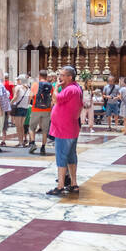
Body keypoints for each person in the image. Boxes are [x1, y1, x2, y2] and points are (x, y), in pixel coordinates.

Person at [46, 65, 84, 196]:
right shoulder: (75, 88)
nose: (59, 77)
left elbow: (56, 99)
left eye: (62, 75)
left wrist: (55, 87)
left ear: (70, 77)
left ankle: (60, 186)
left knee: (61, 157)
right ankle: (73, 184)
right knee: (71, 157)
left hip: (64, 129)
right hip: (69, 128)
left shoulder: (71, 89)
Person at [29, 70, 54, 155]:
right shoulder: (50, 85)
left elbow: (31, 96)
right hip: (46, 110)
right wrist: (50, 106)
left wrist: (30, 103)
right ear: (46, 76)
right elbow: (53, 98)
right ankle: (43, 147)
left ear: (39, 76)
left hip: (36, 109)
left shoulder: (35, 84)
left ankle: (32, 143)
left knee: (32, 127)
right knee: (45, 130)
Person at [10, 76, 29, 146]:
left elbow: (15, 97)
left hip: (18, 108)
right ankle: (23, 140)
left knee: (18, 126)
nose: (17, 81)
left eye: (18, 80)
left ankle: (20, 142)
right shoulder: (27, 88)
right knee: (22, 126)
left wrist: (10, 104)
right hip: (25, 108)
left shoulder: (18, 87)